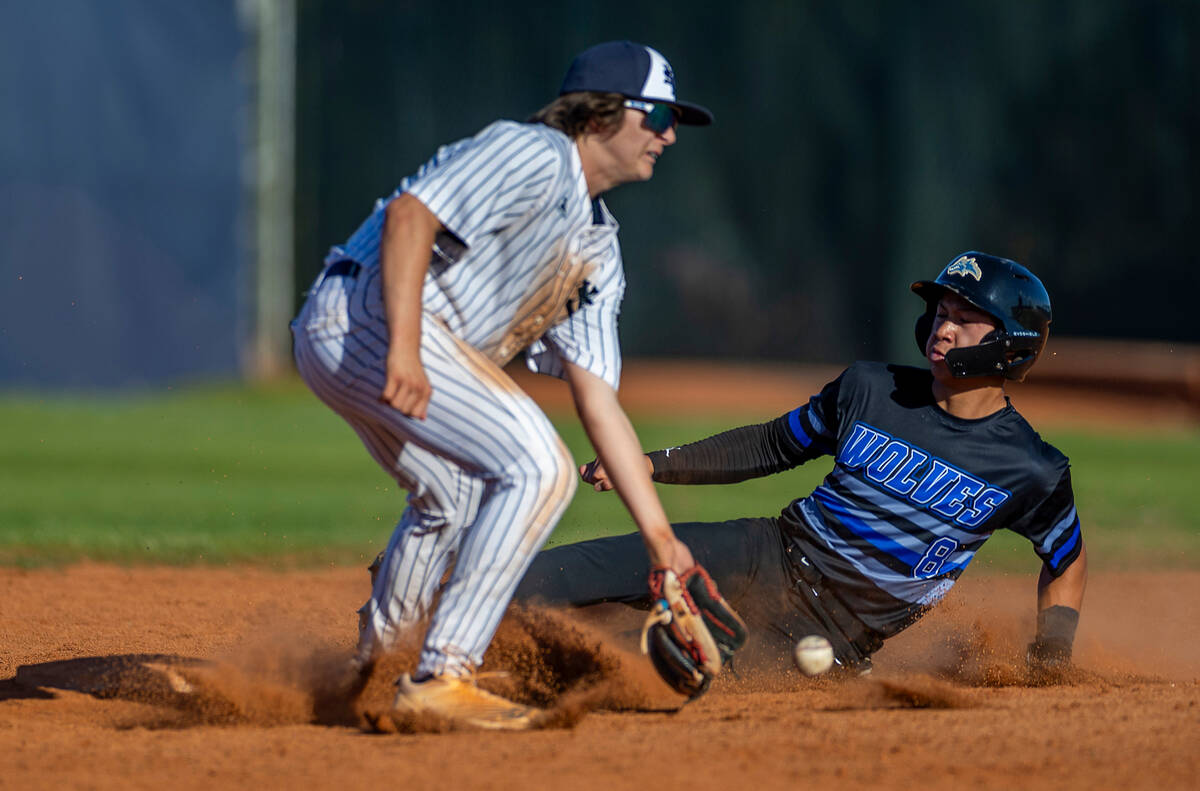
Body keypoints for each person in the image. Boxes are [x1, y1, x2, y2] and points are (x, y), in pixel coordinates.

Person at [291, 41, 713, 729]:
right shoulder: (534, 153)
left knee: (451, 495)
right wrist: (404, 349)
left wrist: (662, 544)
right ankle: (442, 673)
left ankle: (381, 667)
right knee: (539, 467)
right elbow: (409, 218)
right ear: (601, 114)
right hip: (367, 318)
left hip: (389, 336)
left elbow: (597, 399)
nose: (668, 136)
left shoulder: (596, 248)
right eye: (659, 116)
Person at [516, 252, 1087, 679]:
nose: (944, 327)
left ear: (1011, 342)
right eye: (941, 312)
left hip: (829, 636)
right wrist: (648, 464)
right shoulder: (871, 389)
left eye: (966, 317)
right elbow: (771, 446)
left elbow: (1066, 558)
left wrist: (1051, 657)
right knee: (558, 576)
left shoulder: (1031, 467)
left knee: (632, 662)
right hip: (766, 552)